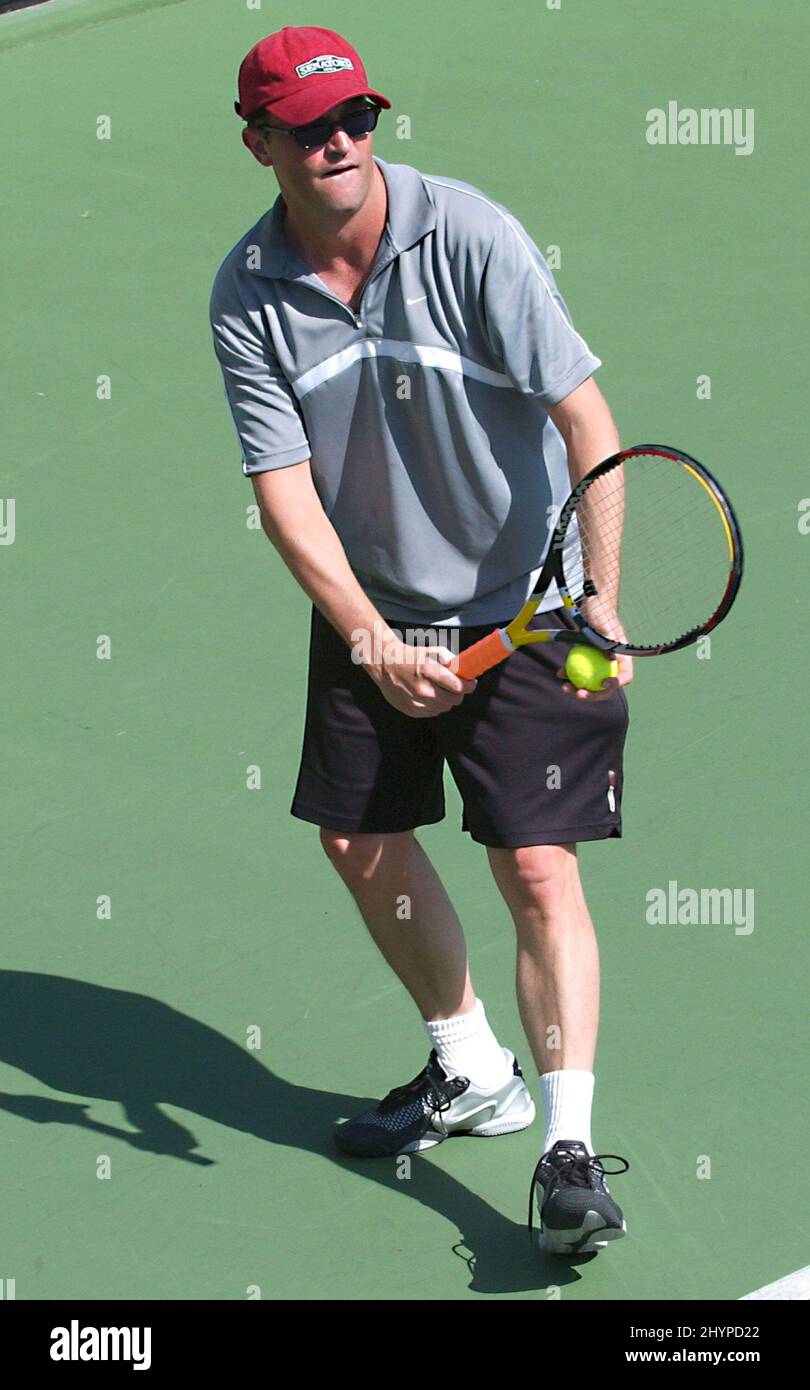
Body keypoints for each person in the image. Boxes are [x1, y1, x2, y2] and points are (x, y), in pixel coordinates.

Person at [210, 25, 631, 1256]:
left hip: (532, 601)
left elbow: (584, 411)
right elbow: (284, 487)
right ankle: (470, 1067)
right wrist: (371, 637)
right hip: (373, 598)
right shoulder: (249, 290)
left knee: (537, 866)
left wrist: (603, 589)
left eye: (355, 118)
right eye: (308, 128)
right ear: (259, 144)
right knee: (358, 835)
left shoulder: (469, 236)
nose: (339, 142)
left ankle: (565, 1145)